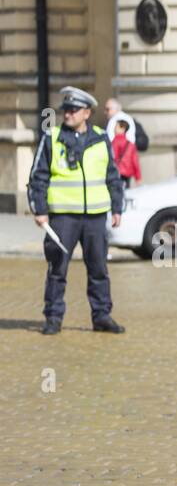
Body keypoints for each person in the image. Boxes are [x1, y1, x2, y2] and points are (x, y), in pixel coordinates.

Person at [27, 86, 125, 336]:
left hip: (94, 217)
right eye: (65, 110)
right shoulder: (52, 137)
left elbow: (112, 175)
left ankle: (102, 316)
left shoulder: (101, 138)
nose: (67, 114)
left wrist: (116, 208)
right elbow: (38, 177)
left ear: (87, 113)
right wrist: (40, 210)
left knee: (99, 269)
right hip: (62, 218)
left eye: (73, 110)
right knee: (57, 270)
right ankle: (53, 317)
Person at [111, 120, 141, 188]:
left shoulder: (114, 142)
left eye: (116, 126)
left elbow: (112, 157)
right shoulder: (130, 144)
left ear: (123, 128)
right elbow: (135, 161)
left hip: (116, 172)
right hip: (127, 173)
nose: (114, 129)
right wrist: (138, 177)